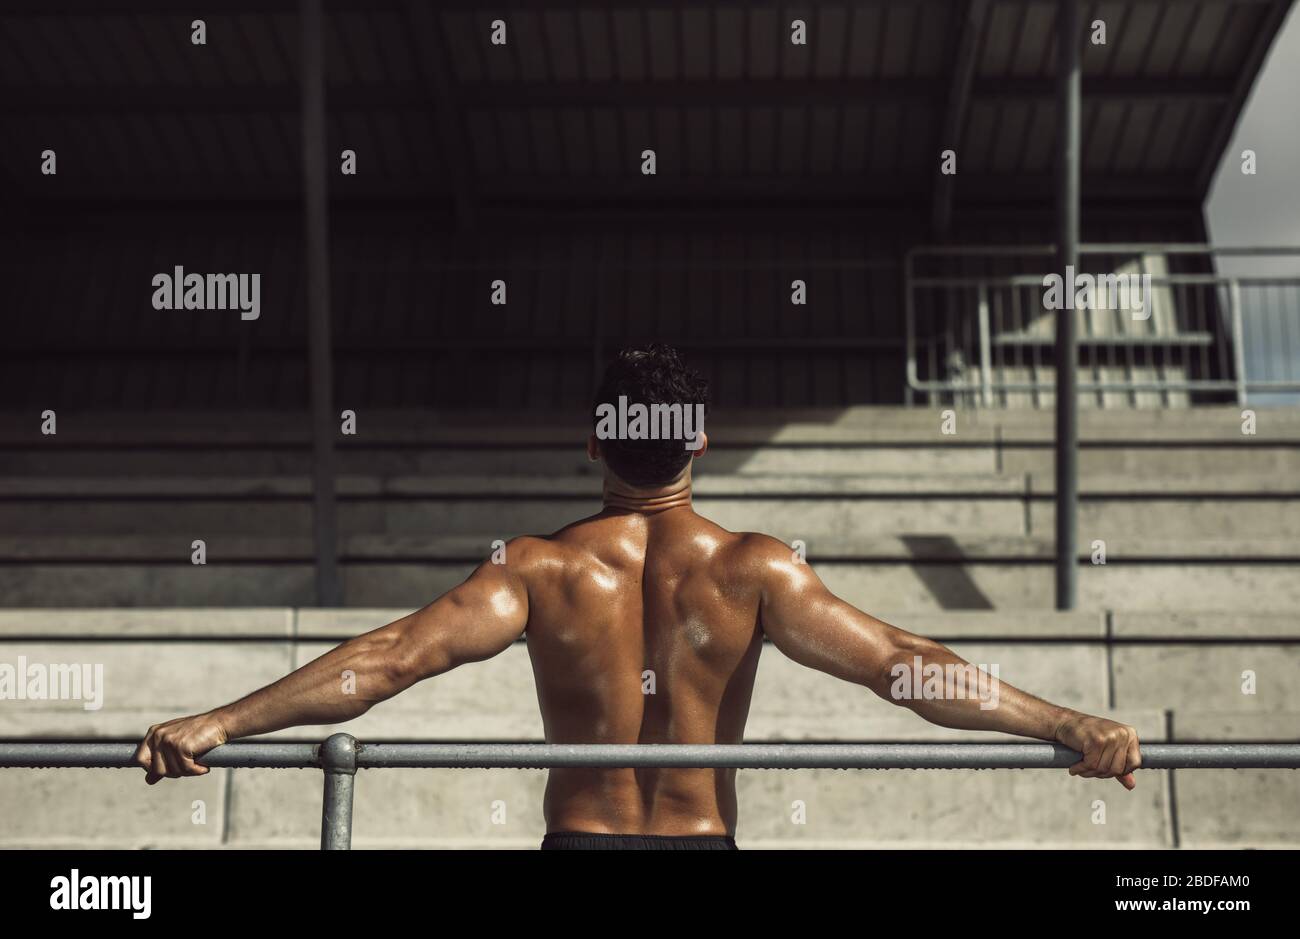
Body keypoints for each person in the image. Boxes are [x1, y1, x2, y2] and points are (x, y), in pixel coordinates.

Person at [134, 344, 1142, 850]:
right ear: (701, 440)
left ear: (593, 445)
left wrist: (221, 721)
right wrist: (1067, 724)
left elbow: (386, 663)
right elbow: (903, 669)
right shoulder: (755, 569)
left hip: (581, 846)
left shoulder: (537, 568)